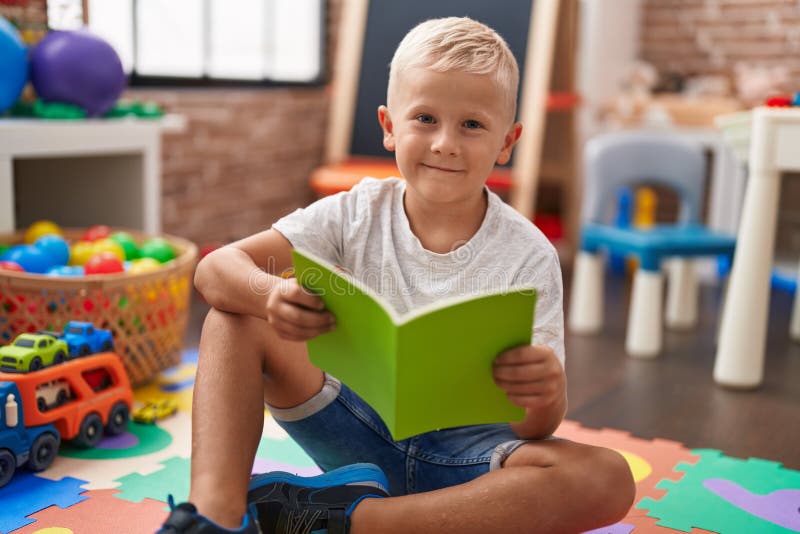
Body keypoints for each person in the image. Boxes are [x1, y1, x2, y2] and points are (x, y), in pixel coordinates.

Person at [159, 17, 635, 534]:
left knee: (609, 478)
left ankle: (354, 520)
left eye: (472, 125)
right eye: (425, 118)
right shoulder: (356, 211)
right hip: (352, 428)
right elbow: (214, 271)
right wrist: (271, 294)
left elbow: (537, 428)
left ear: (507, 141)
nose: (445, 143)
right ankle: (212, 514)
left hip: (472, 466)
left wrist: (544, 392)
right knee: (234, 318)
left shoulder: (530, 254)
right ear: (389, 126)